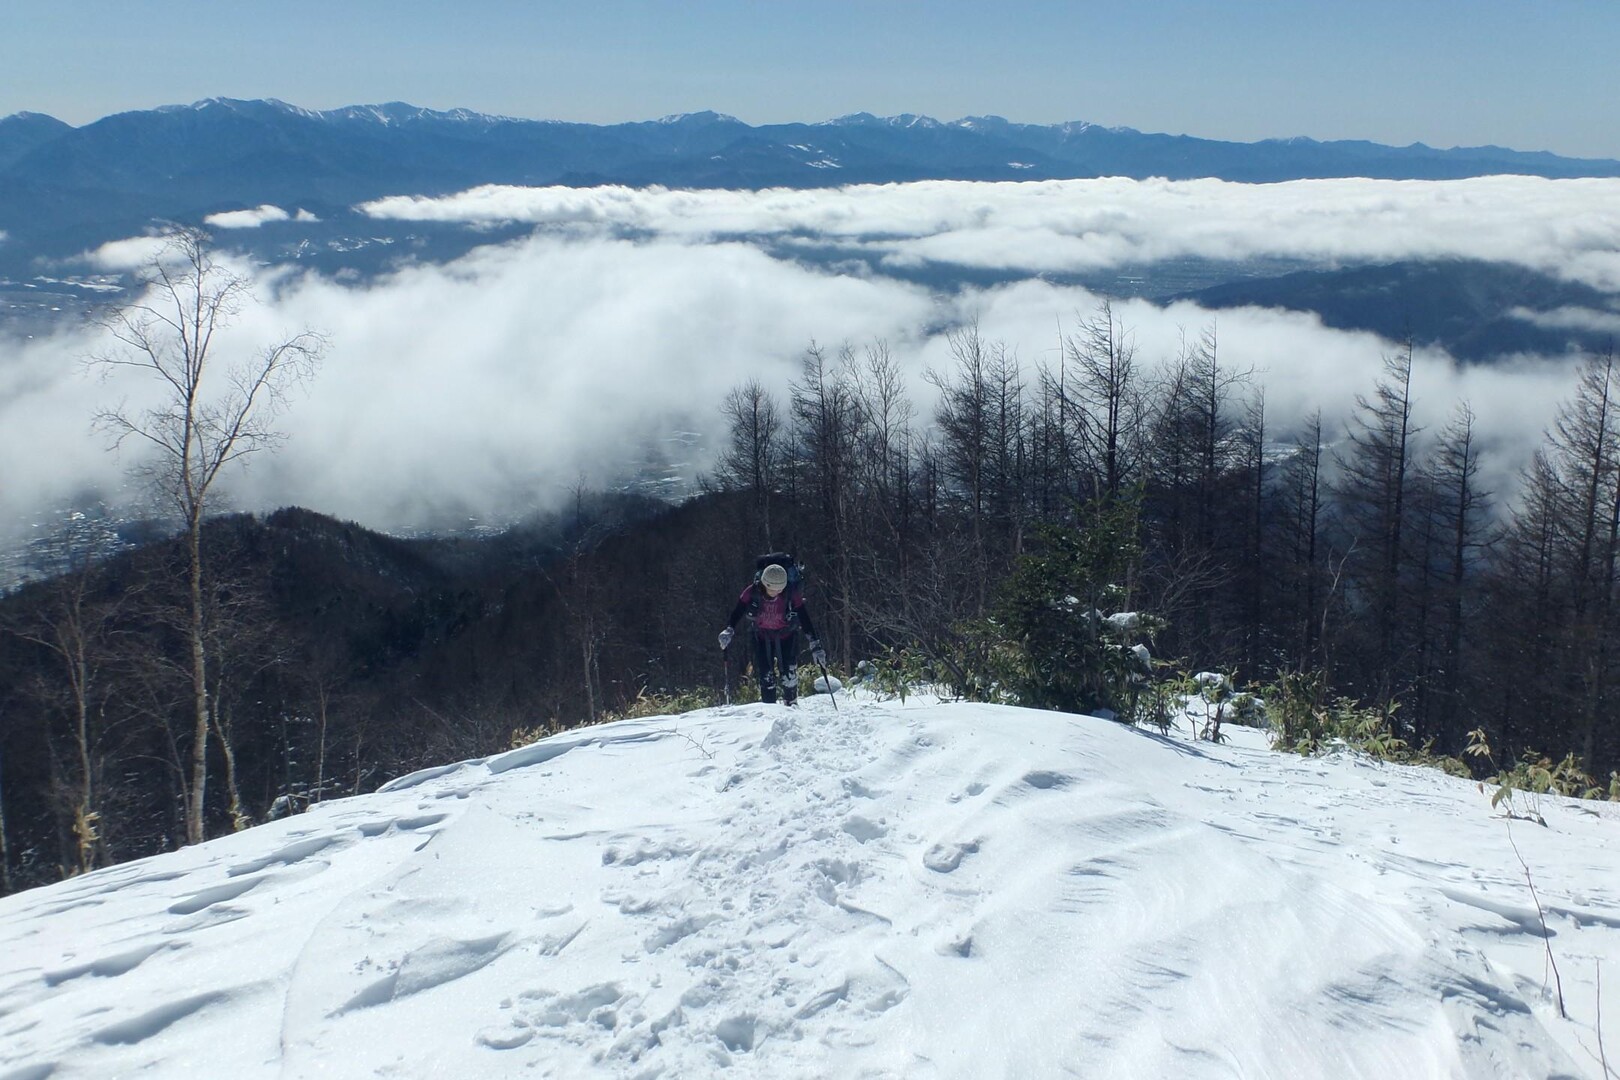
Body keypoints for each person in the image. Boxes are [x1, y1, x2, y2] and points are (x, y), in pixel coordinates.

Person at [718, 560, 826, 705]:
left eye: (780, 589)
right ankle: (769, 710)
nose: (777, 593)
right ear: (764, 585)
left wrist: (815, 643)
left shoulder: (790, 592)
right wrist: (729, 629)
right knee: (765, 675)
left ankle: (791, 707)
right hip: (762, 637)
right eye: (773, 589)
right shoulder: (752, 592)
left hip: (787, 635)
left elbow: (803, 616)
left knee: (789, 675)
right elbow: (738, 610)